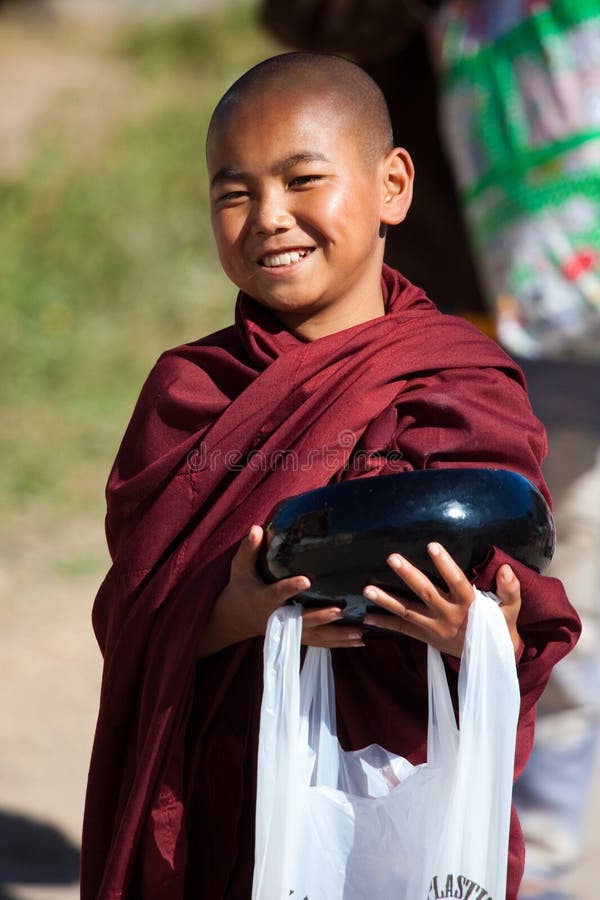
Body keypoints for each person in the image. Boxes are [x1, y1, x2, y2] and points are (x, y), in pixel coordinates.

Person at [80, 52, 580, 900]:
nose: (269, 217)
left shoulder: (459, 378)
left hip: (402, 802)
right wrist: (227, 618)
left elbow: (518, 600)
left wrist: (477, 632)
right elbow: (132, 613)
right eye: (233, 194)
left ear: (393, 185)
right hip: (233, 801)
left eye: (302, 179)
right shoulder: (193, 391)